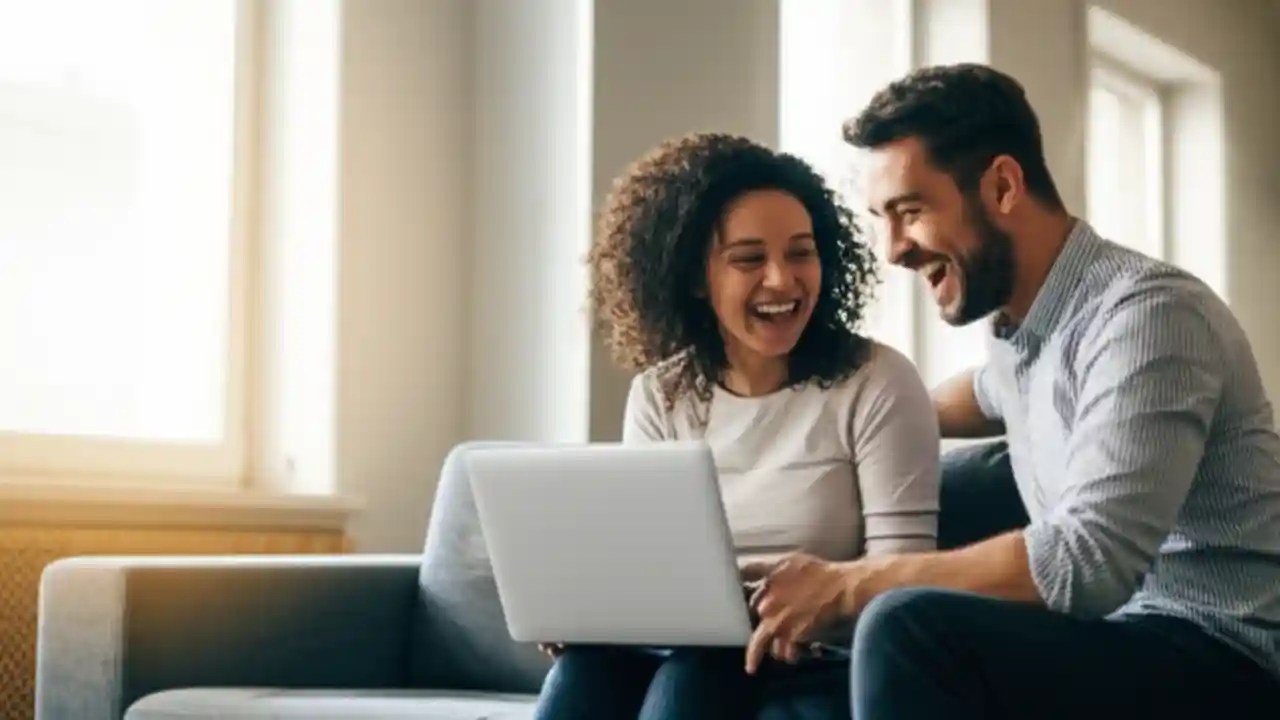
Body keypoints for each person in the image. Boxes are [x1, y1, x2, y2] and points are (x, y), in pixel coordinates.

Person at [743, 63, 1280, 719]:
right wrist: (827, 428)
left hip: (1221, 653)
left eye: (910, 212)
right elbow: (961, 399)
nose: (890, 250)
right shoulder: (1024, 330)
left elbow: (1085, 563)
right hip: (1122, 634)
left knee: (905, 626)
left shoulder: (1148, 317)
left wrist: (851, 586)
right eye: (881, 218)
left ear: (1002, 186)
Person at [532, 133, 941, 719]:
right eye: (749, 259)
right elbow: (649, 566)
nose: (782, 280)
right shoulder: (660, 395)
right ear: (696, 278)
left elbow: (904, 584)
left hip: (819, 654)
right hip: (693, 646)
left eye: (801, 253)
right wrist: (597, 611)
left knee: (693, 675)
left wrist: (794, 598)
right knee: (585, 672)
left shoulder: (877, 382)